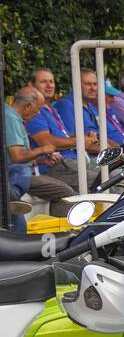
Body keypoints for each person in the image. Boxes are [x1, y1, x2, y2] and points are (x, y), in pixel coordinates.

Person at [6, 89, 76, 231]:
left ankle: (12, 197)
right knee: (65, 191)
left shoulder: (11, 115)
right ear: (28, 106)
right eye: (38, 109)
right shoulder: (11, 117)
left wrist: (42, 160)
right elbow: (17, 157)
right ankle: (63, 235)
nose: (38, 113)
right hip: (15, 172)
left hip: (20, 170)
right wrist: (42, 149)